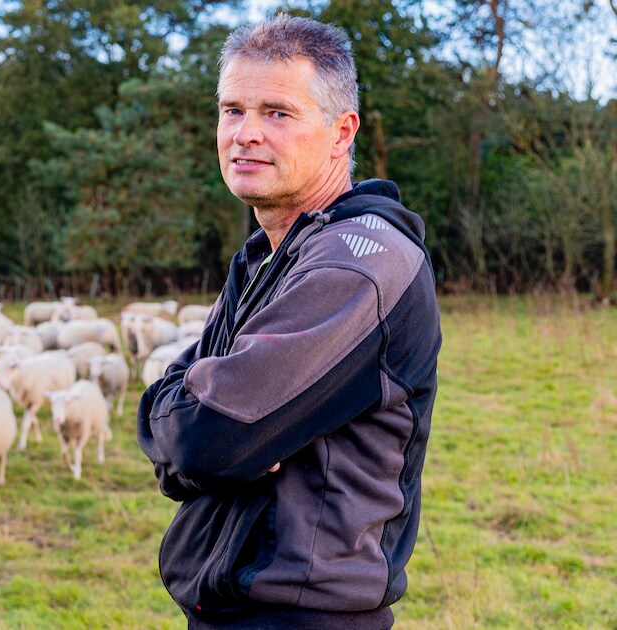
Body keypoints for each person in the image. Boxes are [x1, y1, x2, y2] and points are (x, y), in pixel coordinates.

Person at [136, 14, 441, 629]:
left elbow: (206, 437)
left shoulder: (358, 265)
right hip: (235, 605)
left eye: (277, 113)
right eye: (231, 110)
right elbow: (184, 426)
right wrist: (187, 426)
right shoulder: (267, 256)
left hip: (303, 614)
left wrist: (199, 430)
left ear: (340, 132)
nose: (245, 134)